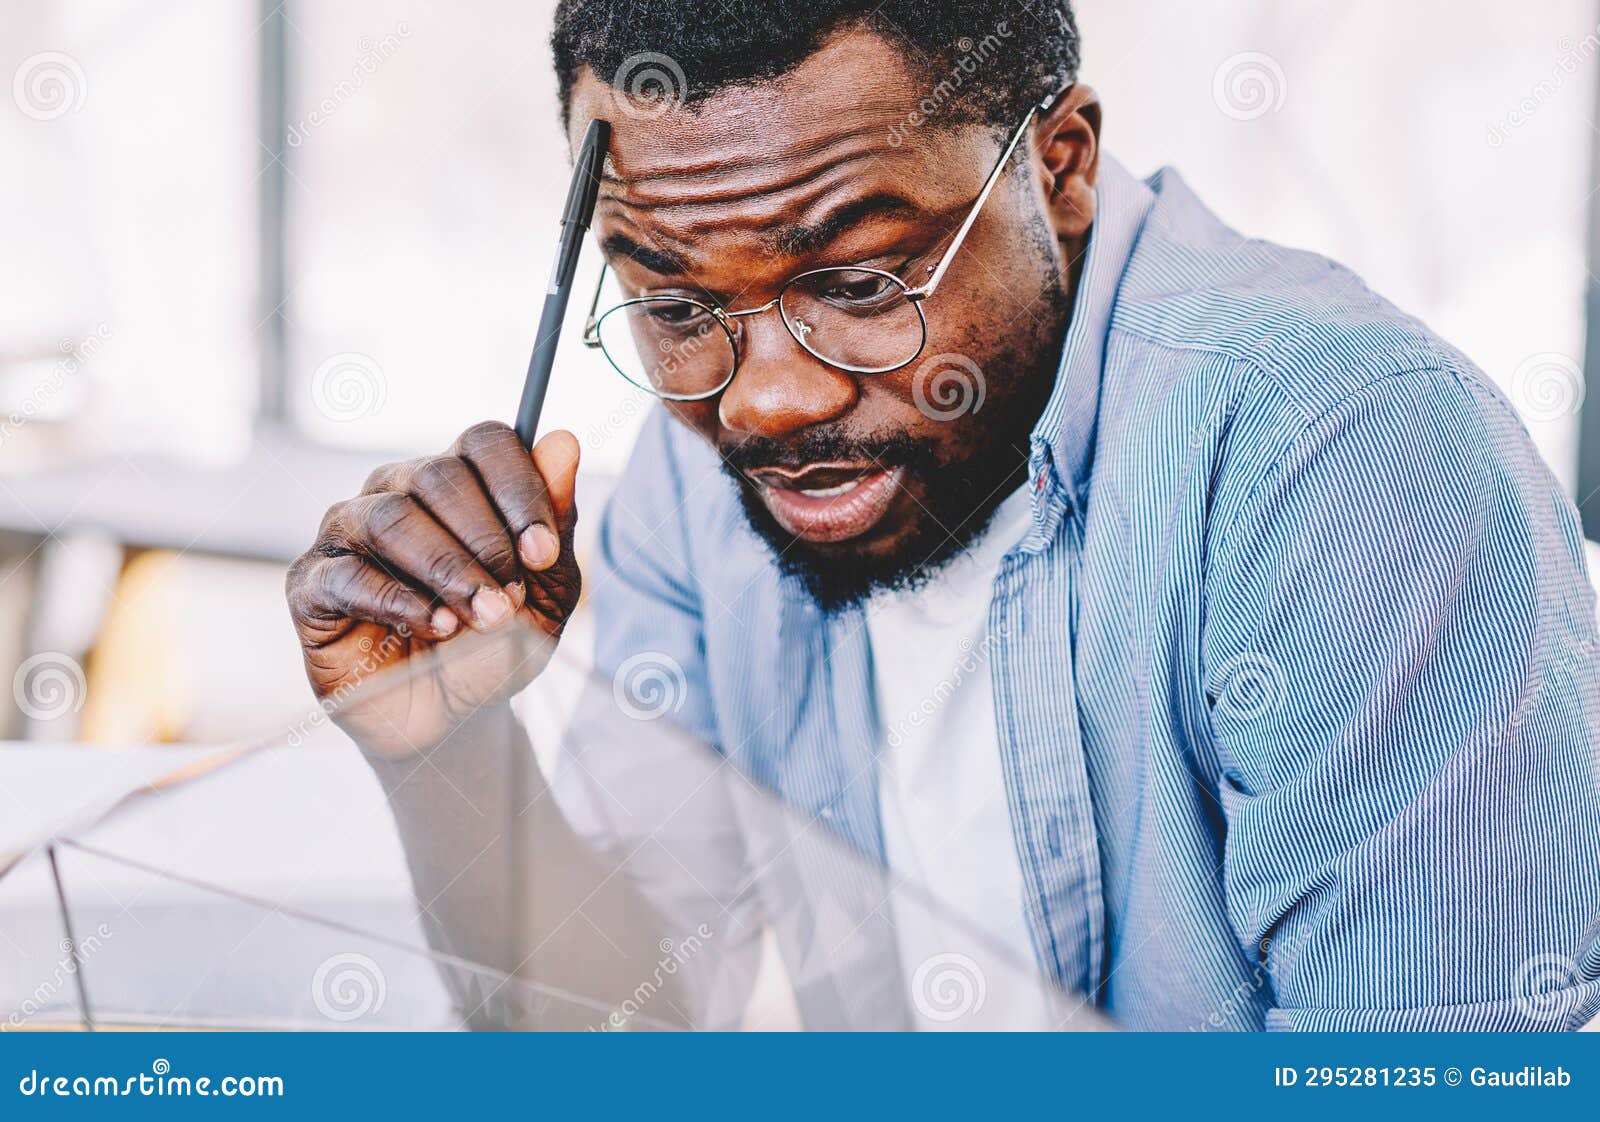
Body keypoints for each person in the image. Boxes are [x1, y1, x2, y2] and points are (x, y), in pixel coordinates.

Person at [285, 0, 1600, 1030]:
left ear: (1060, 165)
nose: (771, 400)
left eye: (859, 281)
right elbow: (628, 1021)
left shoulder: (1340, 461)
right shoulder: (701, 487)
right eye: (680, 308)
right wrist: (448, 751)